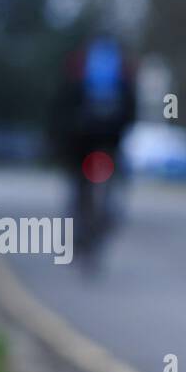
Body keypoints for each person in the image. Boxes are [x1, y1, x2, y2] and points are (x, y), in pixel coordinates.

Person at [49, 35, 138, 271]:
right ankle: (108, 217)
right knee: (112, 187)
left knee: (78, 191)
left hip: (81, 147)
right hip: (108, 145)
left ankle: (76, 235)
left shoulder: (78, 76)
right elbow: (131, 116)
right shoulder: (121, 80)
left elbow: (60, 112)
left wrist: (60, 144)